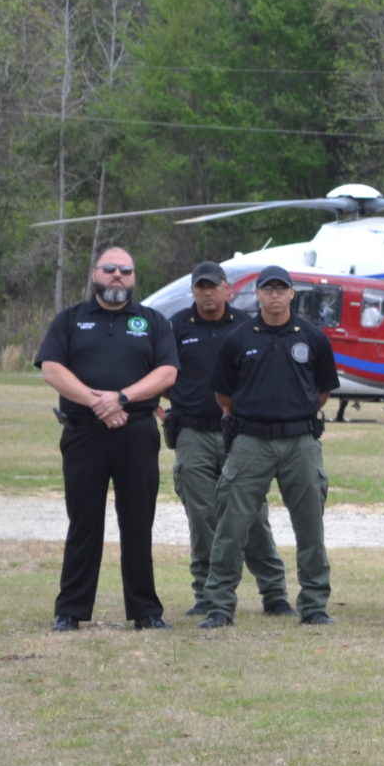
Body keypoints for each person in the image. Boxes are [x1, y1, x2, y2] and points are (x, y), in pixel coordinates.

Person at [35, 244, 178, 631]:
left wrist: (122, 398)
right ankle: (70, 610)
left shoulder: (152, 322)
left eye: (126, 271)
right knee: (84, 523)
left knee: (138, 523)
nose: (118, 276)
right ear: (95, 274)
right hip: (84, 435)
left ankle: (146, 610)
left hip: (137, 435)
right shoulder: (70, 320)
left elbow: (167, 373)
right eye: (110, 269)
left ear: (134, 278)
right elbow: (51, 368)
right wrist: (97, 403)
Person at [197, 265, 339, 628]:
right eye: (268, 289)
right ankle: (219, 605)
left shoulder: (312, 338)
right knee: (231, 525)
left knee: (310, 527)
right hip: (250, 442)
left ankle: (314, 604)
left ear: (293, 294)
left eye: (281, 289)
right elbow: (223, 395)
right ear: (257, 294)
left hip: (300, 442)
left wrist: (296, 414)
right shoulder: (239, 338)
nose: (275, 295)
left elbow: (322, 391)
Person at [161, 261, 292, 618]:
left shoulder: (245, 327)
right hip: (192, 431)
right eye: (200, 287)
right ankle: (206, 592)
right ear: (193, 291)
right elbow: (160, 372)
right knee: (201, 515)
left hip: (239, 433)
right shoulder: (176, 327)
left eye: (213, 286)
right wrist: (169, 409)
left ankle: (274, 592)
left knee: (251, 515)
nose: (207, 292)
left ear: (227, 289)